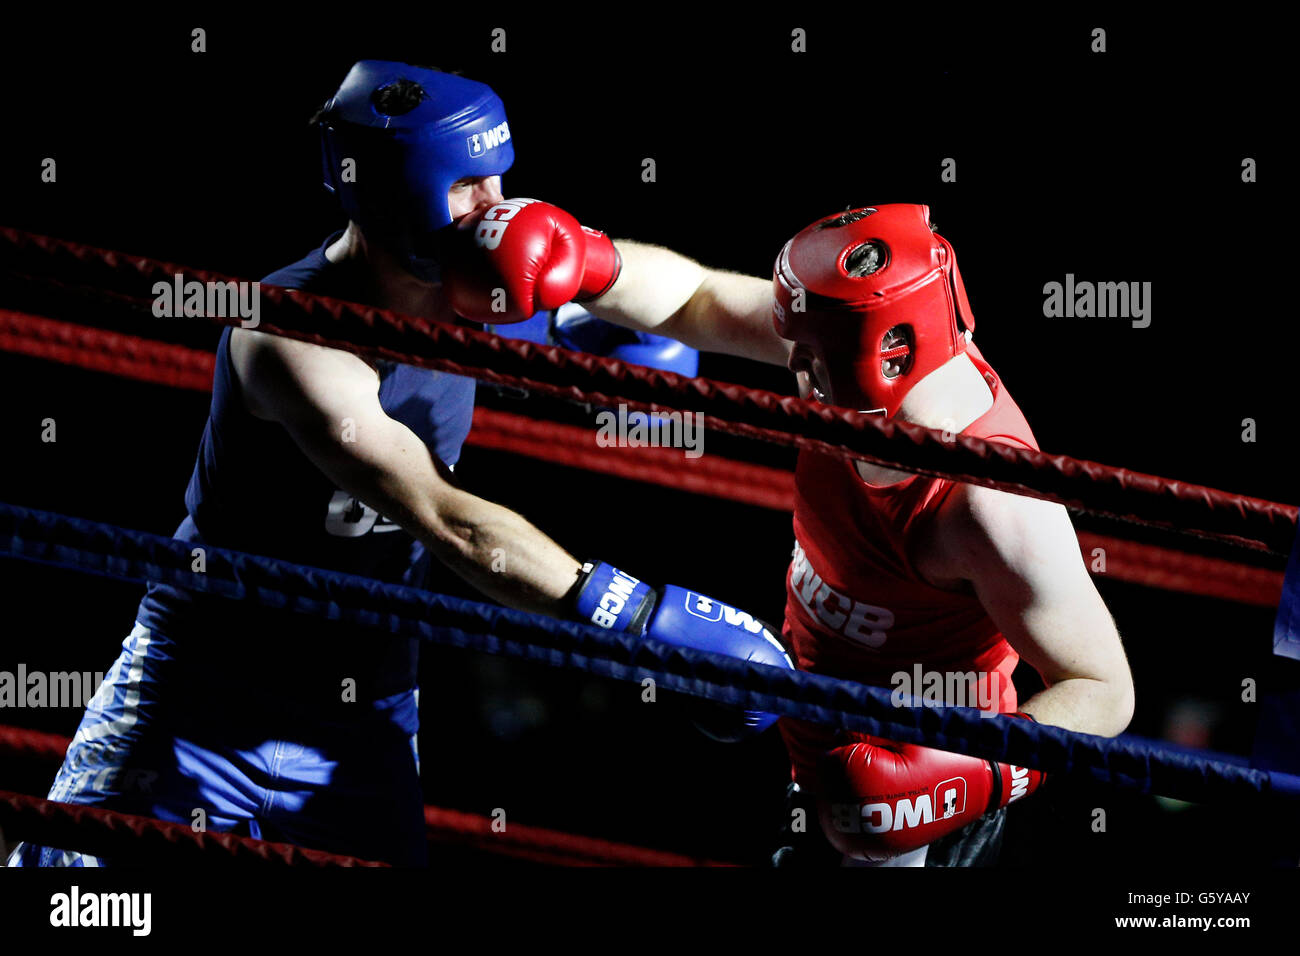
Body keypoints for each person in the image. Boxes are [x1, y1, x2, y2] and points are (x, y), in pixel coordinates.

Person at [7, 60, 787, 867]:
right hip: (200, 693)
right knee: (77, 913)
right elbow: (448, 519)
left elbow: (689, 299)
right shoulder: (287, 336)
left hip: (366, 710)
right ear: (388, 196)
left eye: (499, 178)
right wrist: (637, 618)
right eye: (467, 185)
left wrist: (809, 317)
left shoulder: (488, 281)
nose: (498, 208)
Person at [446, 202, 1136, 867]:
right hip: (805, 739)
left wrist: (969, 776)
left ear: (892, 353)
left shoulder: (991, 501)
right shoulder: (844, 360)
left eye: (810, 356)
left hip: (914, 797)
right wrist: (592, 261)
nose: (794, 367)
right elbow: (698, 298)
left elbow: (1104, 689)